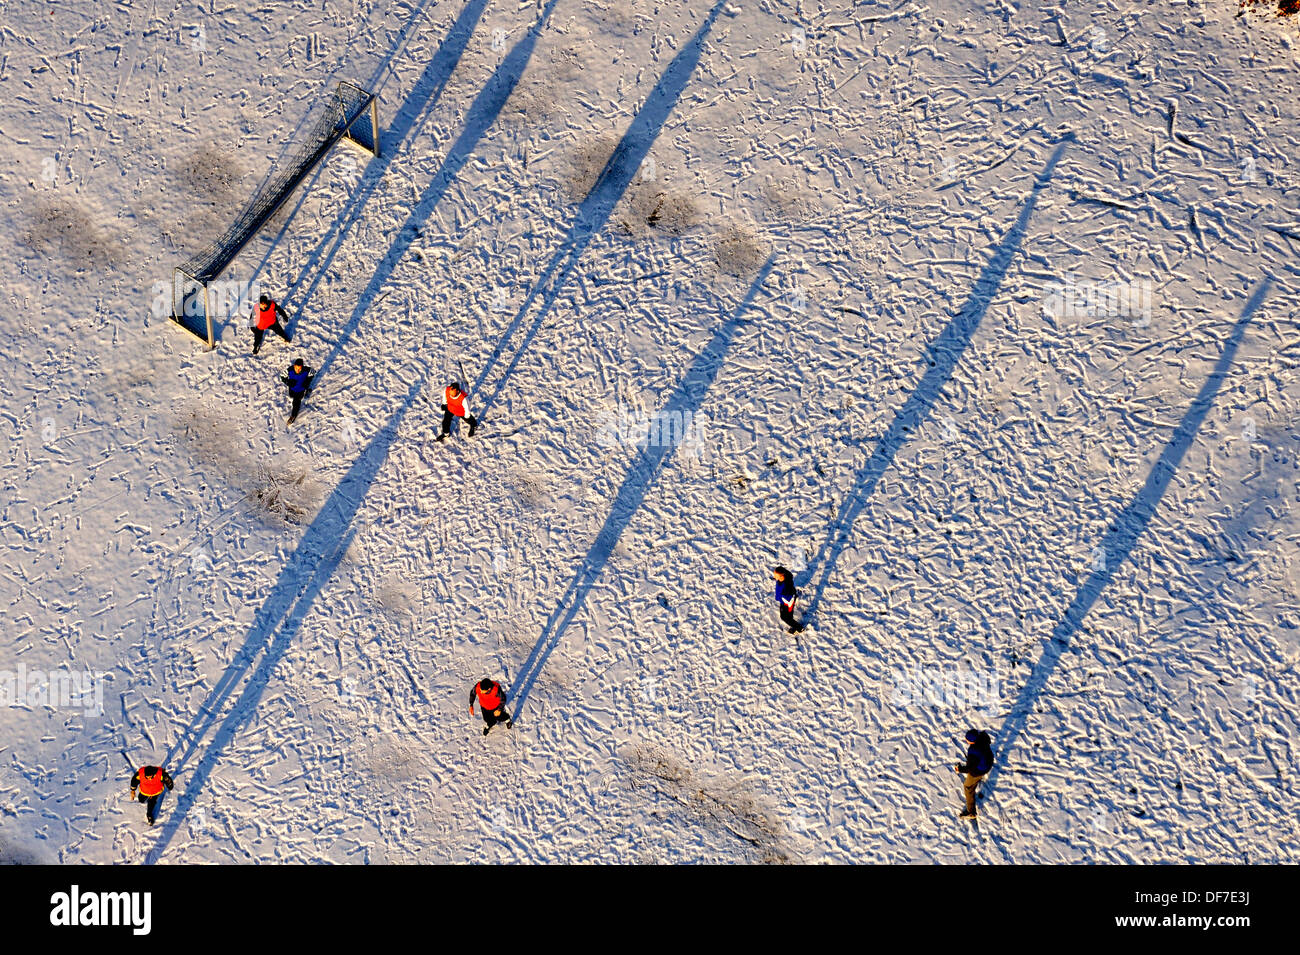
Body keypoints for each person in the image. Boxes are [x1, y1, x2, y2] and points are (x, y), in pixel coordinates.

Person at [955, 729, 994, 819]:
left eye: (967, 739)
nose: (966, 740)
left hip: (979, 770)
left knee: (968, 787)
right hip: (988, 762)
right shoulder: (984, 737)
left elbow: (970, 768)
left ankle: (971, 812)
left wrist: (960, 769)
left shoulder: (974, 751)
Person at [772, 566, 805, 634]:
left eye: (776, 575)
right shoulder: (783, 579)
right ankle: (794, 625)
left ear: (781, 576)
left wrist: (783, 600)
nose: (774, 577)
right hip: (784, 600)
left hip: (788, 602)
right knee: (789, 616)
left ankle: (799, 628)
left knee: (784, 617)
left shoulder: (787, 586)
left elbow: (788, 597)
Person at [281, 357, 314, 425]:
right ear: (294, 366)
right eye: (296, 368)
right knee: (291, 395)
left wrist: (307, 381)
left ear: (302, 367)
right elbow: (282, 376)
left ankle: (293, 415)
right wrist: (288, 382)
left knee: (296, 402)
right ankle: (306, 390)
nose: (298, 370)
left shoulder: (306, 370)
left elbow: (313, 372)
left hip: (301, 390)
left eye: (299, 368)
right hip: (292, 389)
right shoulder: (290, 370)